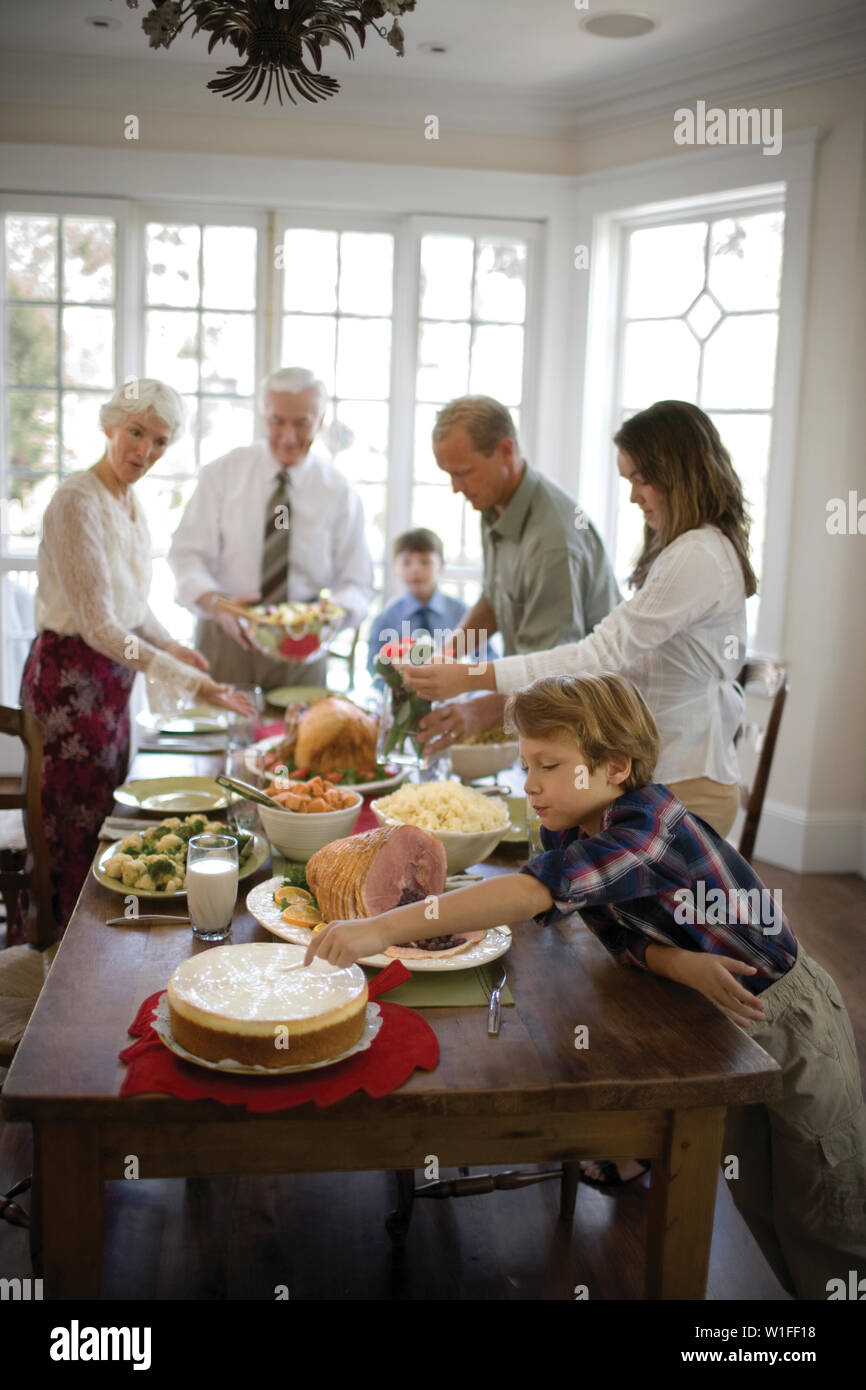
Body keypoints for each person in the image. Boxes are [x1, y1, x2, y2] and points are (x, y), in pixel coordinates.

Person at [306, 673, 866, 1303]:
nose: (530, 784)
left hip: (793, 1021)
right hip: (724, 1013)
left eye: (549, 765)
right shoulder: (569, 830)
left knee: (828, 1221)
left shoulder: (648, 828)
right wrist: (678, 964)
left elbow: (529, 894)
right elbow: (616, 935)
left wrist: (377, 929)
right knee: (762, 1202)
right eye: (526, 764)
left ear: (616, 766)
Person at [403, 401, 751, 841]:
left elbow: (594, 657)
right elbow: (497, 597)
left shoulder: (693, 554)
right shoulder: (687, 548)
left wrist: (471, 678)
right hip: (653, 767)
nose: (632, 495)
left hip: (684, 774)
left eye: (641, 480)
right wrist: (450, 655)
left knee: (562, 880)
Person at [19, 379, 254, 932]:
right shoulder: (77, 501)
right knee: (75, 827)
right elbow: (101, 625)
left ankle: (103, 946)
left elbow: (131, 606)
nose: (144, 452)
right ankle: (64, 957)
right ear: (109, 427)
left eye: (159, 441)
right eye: (135, 433)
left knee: (104, 816)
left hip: (109, 681)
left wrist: (172, 645)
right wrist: (189, 681)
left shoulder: (128, 503)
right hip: (70, 684)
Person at [415, 395, 619, 744]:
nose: (455, 488)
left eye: (463, 473)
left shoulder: (552, 543)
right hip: (539, 714)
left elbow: (554, 675)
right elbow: (496, 601)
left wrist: (476, 711)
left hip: (588, 729)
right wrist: (445, 658)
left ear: (506, 452)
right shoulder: (492, 501)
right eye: (449, 475)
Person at [169, 367, 374, 690]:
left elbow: (357, 582)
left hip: (303, 644)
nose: (288, 437)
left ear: (319, 421)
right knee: (223, 736)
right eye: (277, 421)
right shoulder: (221, 474)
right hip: (225, 636)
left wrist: (332, 615)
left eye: (301, 423)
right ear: (263, 416)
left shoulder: (339, 492)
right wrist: (215, 602)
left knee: (301, 738)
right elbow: (186, 556)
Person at [366, 527, 468, 681]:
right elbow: (374, 667)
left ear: (441, 566)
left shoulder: (462, 613)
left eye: (424, 562)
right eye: (406, 562)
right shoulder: (387, 616)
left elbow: (485, 658)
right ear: (395, 567)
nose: (415, 569)